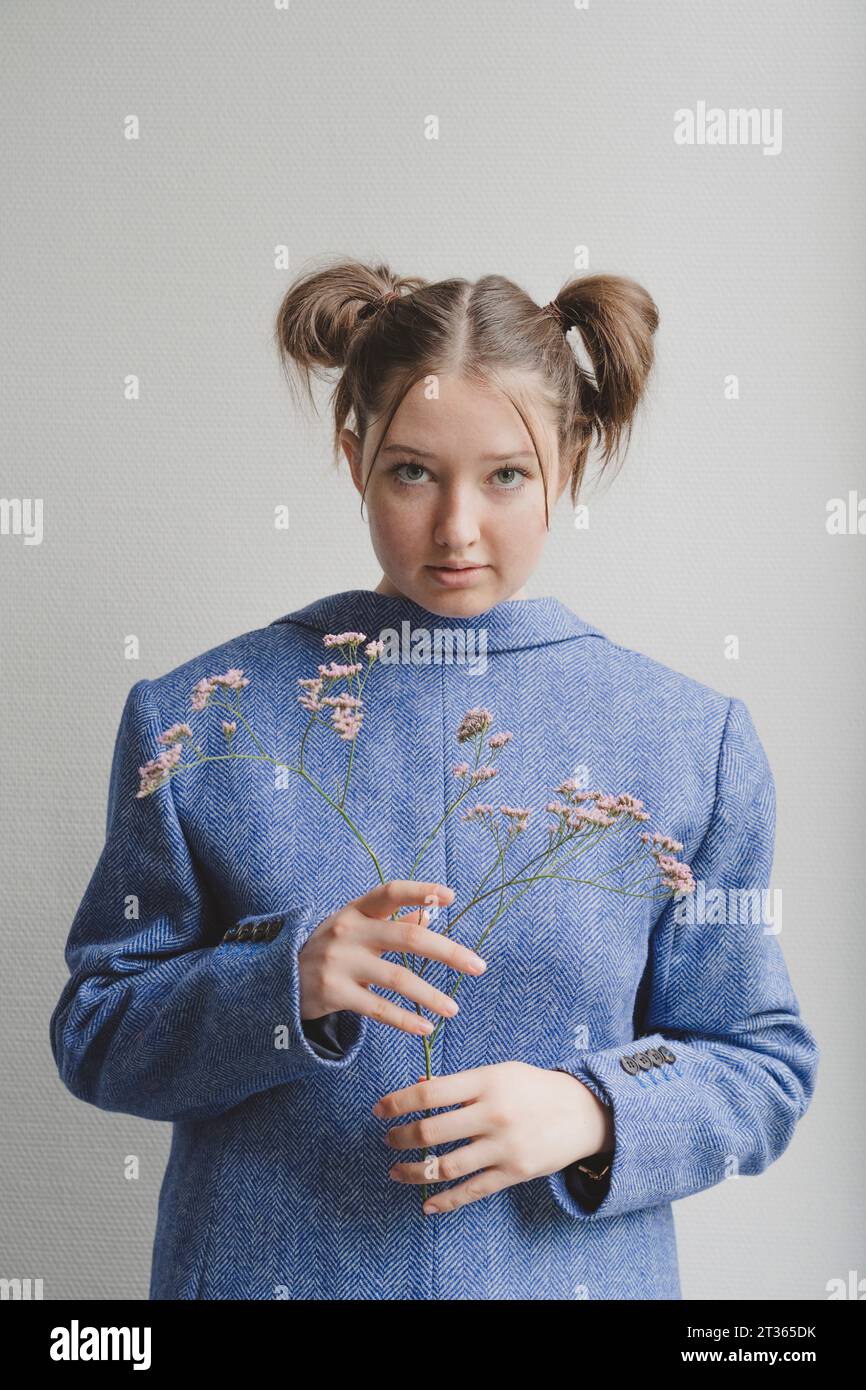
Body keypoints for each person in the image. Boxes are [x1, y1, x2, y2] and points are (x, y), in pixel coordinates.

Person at [49, 259, 819, 1300]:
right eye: (413, 472)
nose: (457, 528)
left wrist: (593, 1108)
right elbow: (98, 1031)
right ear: (352, 452)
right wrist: (284, 981)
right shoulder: (200, 718)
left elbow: (757, 1064)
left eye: (505, 474)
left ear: (571, 457)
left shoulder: (691, 741)